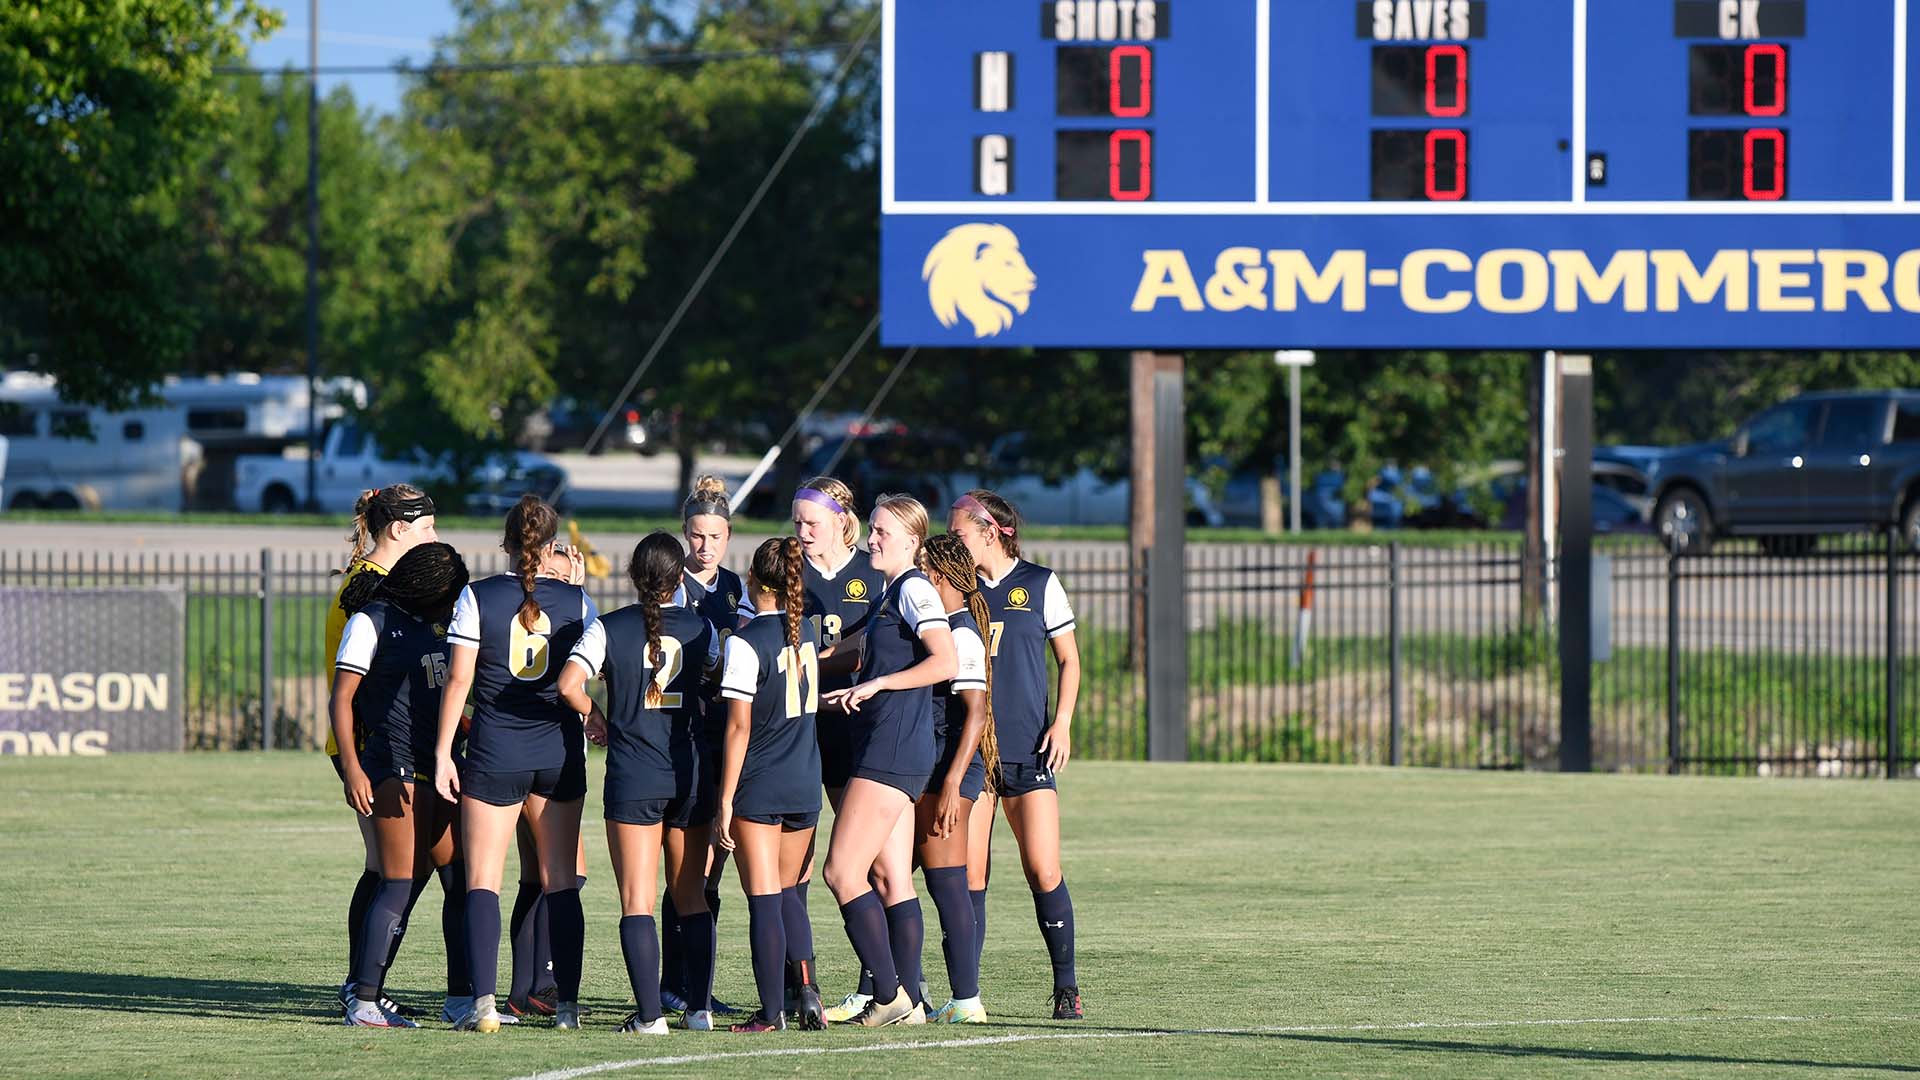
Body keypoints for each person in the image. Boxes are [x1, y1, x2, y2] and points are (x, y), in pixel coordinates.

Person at [433, 495, 595, 1033]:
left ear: (505, 543)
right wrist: (570, 583)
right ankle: (566, 1007)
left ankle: (483, 1005)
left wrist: (440, 754)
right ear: (550, 547)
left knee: (483, 881)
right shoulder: (578, 603)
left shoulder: (476, 597)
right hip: (558, 750)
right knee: (561, 881)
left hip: (497, 749)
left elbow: (458, 682)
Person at [557, 531, 722, 1033]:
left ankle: (650, 1016)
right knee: (691, 896)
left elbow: (568, 684)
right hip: (689, 776)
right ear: (679, 578)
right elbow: (716, 688)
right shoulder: (704, 629)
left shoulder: (609, 628)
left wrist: (595, 716)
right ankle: (699, 1010)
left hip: (634, 777)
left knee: (637, 901)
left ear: (633, 576)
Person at [948, 490, 1085, 1020]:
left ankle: (1066, 987)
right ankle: (968, 996)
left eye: (959, 532)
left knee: (1042, 868)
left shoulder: (1040, 583)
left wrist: (1064, 722)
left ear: (990, 531)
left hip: (1029, 749)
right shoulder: (955, 590)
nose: (953, 542)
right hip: (976, 753)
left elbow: (1069, 661)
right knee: (970, 874)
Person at [820, 494, 955, 1028]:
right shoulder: (890, 591)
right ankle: (911, 1005)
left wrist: (879, 683)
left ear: (912, 541)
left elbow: (944, 661)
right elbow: (854, 652)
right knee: (892, 879)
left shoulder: (916, 588)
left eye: (881, 532)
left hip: (893, 747)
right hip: (894, 742)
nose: (871, 539)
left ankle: (889, 994)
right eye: (871, 529)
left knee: (840, 871)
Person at [763, 475, 886, 1022]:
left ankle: (880, 982)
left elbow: (877, 648)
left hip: (857, 736)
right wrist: (837, 654)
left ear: (842, 520)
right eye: (797, 523)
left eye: (812, 522)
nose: (803, 532)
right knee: (798, 871)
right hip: (797, 739)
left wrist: (830, 654)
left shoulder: (873, 572)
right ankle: (798, 984)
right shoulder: (788, 572)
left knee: (874, 866)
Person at [332, 542, 471, 1027]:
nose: (453, 603)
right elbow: (341, 700)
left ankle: (461, 998)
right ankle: (363, 1000)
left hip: (442, 765)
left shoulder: (438, 620)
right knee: (398, 881)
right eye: (448, 594)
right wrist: (352, 766)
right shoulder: (370, 621)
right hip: (394, 766)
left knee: (459, 881)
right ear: (427, 587)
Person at [325, 484, 438, 1020]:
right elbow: (357, 686)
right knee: (395, 871)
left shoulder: (384, 583)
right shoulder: (372, 589)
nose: (434, 538)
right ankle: (361, 987)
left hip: (381, 741)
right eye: (426, 529)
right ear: (398, 530)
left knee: (390, 868)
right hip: (373, 744)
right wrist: (354, 762)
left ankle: (363, 983)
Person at [712, 537, 828, 1032]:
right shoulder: (803, 635)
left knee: (764, 900)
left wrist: (723, 798)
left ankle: (771, 1012)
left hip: (762, 783)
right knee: (789, 895)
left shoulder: (743, 642)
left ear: (754, 582)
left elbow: (738, 728)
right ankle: (808, 995)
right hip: (806, 779)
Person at [661, 475, 747, 1016]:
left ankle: (697, 984)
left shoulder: (738, 586)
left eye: (714, 537)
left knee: (712, 869)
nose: (704, 546)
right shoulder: (672, 588)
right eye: (696, 535)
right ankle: (675, 981)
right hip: (682, 736)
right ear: (684, 534)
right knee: (683, 870)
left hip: (726, 737)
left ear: (727, 536)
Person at [913, 532, 996, 1024]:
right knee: (888, 877)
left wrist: (950, 785)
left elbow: (977, 714)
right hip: (930, 768)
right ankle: (900, 991)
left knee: (948, 884)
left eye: (924, 567)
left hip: (951, 772)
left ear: (940, 577)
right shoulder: (940, 627)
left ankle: (966, 1000)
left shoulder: (962, 634)